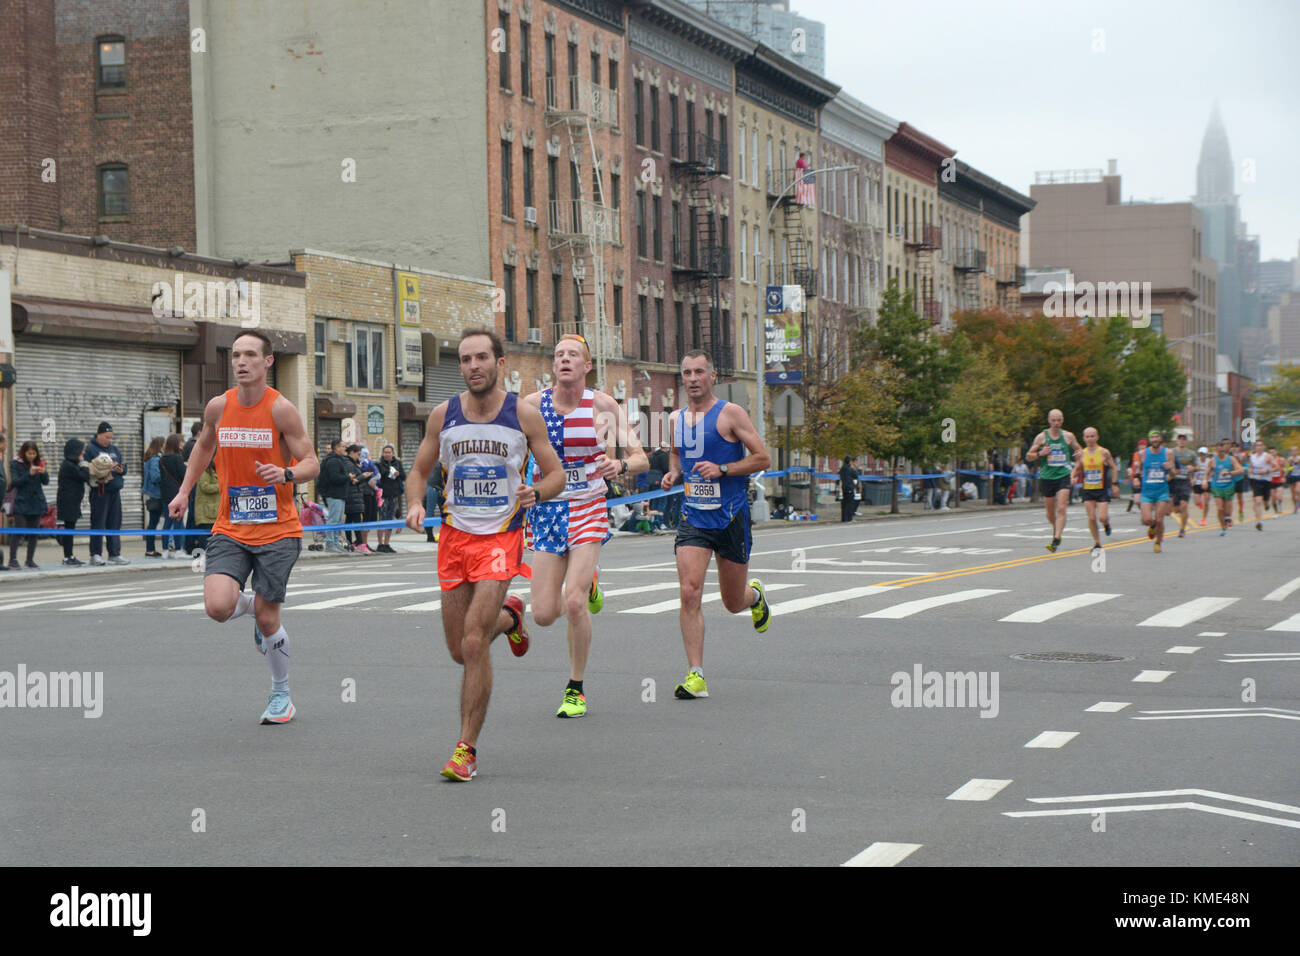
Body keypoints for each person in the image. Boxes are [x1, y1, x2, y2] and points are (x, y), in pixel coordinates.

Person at [402, 327, 565, 781]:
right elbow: (419, 470)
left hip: (501, 537)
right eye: (466, 359)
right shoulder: (444, 415)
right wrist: (415, 502)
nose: (473, 366)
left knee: (475, 639)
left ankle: (465, 750)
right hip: (455, 539)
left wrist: (538, 491)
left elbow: (556, 474)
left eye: (481, 358)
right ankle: (512, 618)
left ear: (500, 363)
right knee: (459, 650)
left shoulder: (523, 415)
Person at [168, 329, 319, 724]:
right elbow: (204, 447)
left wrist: (286, 473)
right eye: (236, 354)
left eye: (251, 354)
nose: (241, 362)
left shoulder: (281, 409)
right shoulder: (219, 406)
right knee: (217, 607)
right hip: (231, 525)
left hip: (278, 530)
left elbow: (311, 463)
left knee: (270, 620)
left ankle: (281, 694)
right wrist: (184, 492)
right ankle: (255, 609)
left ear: (268, 362)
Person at [523, 333, 648, 719]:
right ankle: (588, 579)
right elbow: (510, 449)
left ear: (586, 366)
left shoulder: (602, 405)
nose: (564, 360)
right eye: (559, 355)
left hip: (587, 506)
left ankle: (575, 687)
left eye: (572, 355)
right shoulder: (531, 405)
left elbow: (640, 456)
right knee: (543, 614)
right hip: (546, 510)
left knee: (574, 601)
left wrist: (621, 465)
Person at [661, 350, 772, 701]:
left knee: (731, 601)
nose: (692, 378)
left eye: (699, 372)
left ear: (712, 376)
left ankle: (754, 597)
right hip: (694, 517)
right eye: (687, 372)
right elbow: (677, 453)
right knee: (689, 591)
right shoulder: (676, 418)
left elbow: (762, 458)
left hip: (731, 516)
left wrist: (723, 469)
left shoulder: (730, 414)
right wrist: (674, 472)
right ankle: (696, 674)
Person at [1024, 409, 1082, 553]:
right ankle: (1056, 528)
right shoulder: (1041, 437)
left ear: (1062, 421)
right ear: (1049, 421)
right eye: (1053, 420)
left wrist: (1079, 455)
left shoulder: (1068, 436)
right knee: (1050, 514)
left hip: (1064, 475)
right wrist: (1040, 453)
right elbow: (1028, 456)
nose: (1056, 423)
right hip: (1047, 477)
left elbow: (1080, 450)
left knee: (1061, 507)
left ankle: (1056, 538)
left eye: (1059, 420)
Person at [83, 422, 129, 565]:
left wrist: (121, 469)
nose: (108, 440)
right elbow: (86, 469)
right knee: (98, 522)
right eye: (106, 437)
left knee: (114, 523)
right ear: (98, 435)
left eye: (110, 437)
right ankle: (95, 554)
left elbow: (124, 466)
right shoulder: (90, 449)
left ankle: (115, 553)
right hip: (100, 491)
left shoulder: (114, 449)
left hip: (115, 491)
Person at [1071, 427, 1118, 551]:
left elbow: (1113, 467)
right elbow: (1077, 468)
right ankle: (1097, 543)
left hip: (1101, 489)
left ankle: (1106, 524)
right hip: (1087, 490)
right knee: (1091, 518)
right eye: (1087, 436)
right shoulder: (1082, 453)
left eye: (1092, 436)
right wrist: (1072, 477)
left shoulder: (1104, 452)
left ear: (1097, 437)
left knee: (1102, 517)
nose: (1090, 439)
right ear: (1084, 438)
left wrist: (1114, 484)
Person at [7, 440, 48, 570]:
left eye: (34, 453)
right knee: (18, 532)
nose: (32, 456)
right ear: (24, 453)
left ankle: (29, 560)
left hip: (37, 502)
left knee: (34, 534)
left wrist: (43, 472)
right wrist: (28, 474)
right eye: (29, 453)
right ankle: (12, 559)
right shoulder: (15, 463)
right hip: (22, 502)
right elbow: (16, 482)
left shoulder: (38, 462)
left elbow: (45, 482)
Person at [1138, 429, 1177, 553]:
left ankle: (1158, 542)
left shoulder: (1169, 453)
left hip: (1162, 491)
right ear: (1150, 440)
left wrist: (1169, 469)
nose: (1155, 439)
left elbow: (1173, 474)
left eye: (1157, 437)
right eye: (1152, 437)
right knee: (1146, 519)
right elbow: (1139, 470)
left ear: (1160, 439)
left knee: (1160, 518)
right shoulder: (1142, 453)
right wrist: (1135, 478)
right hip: (1147, 492)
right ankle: (1152, 526)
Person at [56, 437, 90, 566]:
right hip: (68, 502)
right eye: (81, 451)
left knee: (70, 529)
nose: (83, 454)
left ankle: (69, 554)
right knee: (69, 530)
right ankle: (67, 556)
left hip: (72, 502)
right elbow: (85, 476)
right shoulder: (69, 465)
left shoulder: (71, 464)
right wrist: (84, 463)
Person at [317, 439, 351, 553]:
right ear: (336, 448)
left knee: (338, 520)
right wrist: (348, 477)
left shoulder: (339, 460)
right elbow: (334, 478)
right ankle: (330, 543)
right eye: (342, 446)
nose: (345, 449)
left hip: (340, 495)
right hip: (334, 494)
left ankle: (336, 542)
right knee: (333, 519)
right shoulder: (333, 461)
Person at [159, 433, 188, 558]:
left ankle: (165, 550)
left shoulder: (162, 459)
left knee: (167, 522)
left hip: (165, 494)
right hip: (177, 494)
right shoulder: (177, 458)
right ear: (176, 444)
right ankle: (177, 550)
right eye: (181, 442)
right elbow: (183, 475)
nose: (183, 444)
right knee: (178, 521)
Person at [1208, 438, 1245, 535]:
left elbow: (1241, 470)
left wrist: (1229, 473)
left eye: (1222, 450)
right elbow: (1206, 472)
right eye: (1219, 450)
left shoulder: (1231, 458)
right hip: (1217, 487)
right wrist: (1204, 480)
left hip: (1229, 486)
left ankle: (1228, 517)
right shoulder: (1212, 460)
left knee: (1227, 511)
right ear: (1216, 450)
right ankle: (1222, 527)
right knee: (1220, 508)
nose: (1221, 452)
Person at [374, 443, 406, 553]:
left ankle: (387, 543)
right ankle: (380, 543)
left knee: (390, 519)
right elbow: (378, 476)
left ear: (393, 453)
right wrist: (388, 471)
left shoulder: (397, 463)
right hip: (383, 495)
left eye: (389, 452)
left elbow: (404, 476)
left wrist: (398, 473)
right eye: (385, 452)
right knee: (382, 519)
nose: (387, 454)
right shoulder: (378, 464)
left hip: (394, 494)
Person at [1169, 434, 1198, 538]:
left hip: (1185, 482)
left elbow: (1198, 466)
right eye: (1179, 439)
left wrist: (1193, 468)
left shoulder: (1191, 453)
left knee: (1184, 505)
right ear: (1176, 441)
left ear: (1186, 441)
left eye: (1183, 439)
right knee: (1176, 509)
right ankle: (1183, 513)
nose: (1181, 441)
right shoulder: (1171, 452)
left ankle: (1182, 529)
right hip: (1173, 481)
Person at [141, 437, 166, 558]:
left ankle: (150, 548)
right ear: (160, 446)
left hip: (152, 493)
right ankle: (150, 549)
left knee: (153, 522)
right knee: (153, 522)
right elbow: (155, 477)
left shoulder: (150, 458)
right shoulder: (155, 459)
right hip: (156, 494)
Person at [182, 420, 203, 555]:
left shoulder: (187, 445)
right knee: (194, 515)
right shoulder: (195, 446)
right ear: (200, 432)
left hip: (191, 483)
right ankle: (191, 545)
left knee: (192, 514)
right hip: (196, 483)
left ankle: (189, 544)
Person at [1246, 440, 1277, 531]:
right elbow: (1250, 467)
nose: (1259, 447)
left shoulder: (1268, 456)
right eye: (1257, 445)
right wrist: (1250, 470)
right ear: (1255, 447)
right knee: (1257, 501)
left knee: (1265, 501)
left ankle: (1267, 503)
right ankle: (1259, 521)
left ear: (1264, 447)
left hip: (1266, 481)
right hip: (1256, 481)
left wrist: (1267, 471)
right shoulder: (1252, 457)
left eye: (1261, 445)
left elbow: (1276, 467)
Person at [343, 443, 366, 552]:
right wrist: (363, 476)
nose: (359, 456)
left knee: (351, 519)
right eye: (358, 454)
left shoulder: (352, 463)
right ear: (352, 452)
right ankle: (358, 542)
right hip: (352, 496)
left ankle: (352, 542)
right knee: (355, 519)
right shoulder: (348, 463)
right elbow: (353, 480)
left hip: (354, 496)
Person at [193, 460, 220, 553]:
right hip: (206, 510)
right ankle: (203, 553)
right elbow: (205, 487)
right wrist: (221, 486)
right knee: (204, 534)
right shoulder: (205, 472)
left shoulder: (212, 471)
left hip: (211, 510)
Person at [357, 447, 380, 552]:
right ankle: (362, 543)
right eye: (362, 454)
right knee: (365, 519)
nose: (364, 456)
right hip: (363, 493)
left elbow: (376, 473)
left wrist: (375, 481)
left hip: (371, 492)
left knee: (371, 518)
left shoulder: (370, 463)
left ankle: (364, 542)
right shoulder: (358, 464)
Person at [1191, 446, 1211, 526]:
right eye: (1200, 454)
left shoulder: (1209, 461)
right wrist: (1192, 479)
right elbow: (1191, 471)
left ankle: (1203, 519)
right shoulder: (1196, 461)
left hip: (1207, 482)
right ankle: (1201, 504)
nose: (1202, 456)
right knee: (1197, 502)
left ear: (1206, 454)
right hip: (1197, 482)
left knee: (1206, 502)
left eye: (1204, 454)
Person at [1126, 438, 1147, 513]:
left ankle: (1142, 508)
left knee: (1141, 494)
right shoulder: (1134, 455)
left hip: (1145, 477)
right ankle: (1140, 508)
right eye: (1140, 445)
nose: (1142, 447)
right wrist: (1128, 474)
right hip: (1135, 477)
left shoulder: (1148, 454)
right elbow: (1129, 466)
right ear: (1138, 446)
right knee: (1135, 494)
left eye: (1143, 445)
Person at [1230, 441, 1249, 521]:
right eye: (1233, 447)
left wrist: (1240, 464)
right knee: (1229, 498)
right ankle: (1229, 516)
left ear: (1239, 448)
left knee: (1239, 497)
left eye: (1236, 447)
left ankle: (1241, 511)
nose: (1234, 448)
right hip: (1230, 479)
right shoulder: (1227, 456)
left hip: (1239, 479)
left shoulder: (1243, 456)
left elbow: (1247, 467)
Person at [425, 466, 443, 543]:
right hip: (432, 486)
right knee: (429, 512)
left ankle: (442, 534)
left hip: (441, 487)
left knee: (445, 512)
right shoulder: (433, 459)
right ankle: (429, 535)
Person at [839, 456, 860, 522]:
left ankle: (844, 518)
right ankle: (849, 518)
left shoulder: (842, 469)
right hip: (850, 487)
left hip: (844, 487)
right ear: (850, 462)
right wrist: (856, 468)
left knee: (844, 503)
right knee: (850, 503)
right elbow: (856, 475)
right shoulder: (850, 469)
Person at [1268, 445, 1285, 514]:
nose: (1271, 454)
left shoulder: (1281, 459)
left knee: (1279, 497)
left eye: (1273, 452)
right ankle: (1276, 511)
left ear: (1276, 452)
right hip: (1271, 481)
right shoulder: (1267, 461)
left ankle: (1280, 505)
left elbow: (1286, 468)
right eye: (1270, 452)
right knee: (1273, 499)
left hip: (1279, 480)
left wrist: (1284, 476)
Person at [1288, 446, 1300, 514]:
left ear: (1297, 451)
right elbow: (1286, 469)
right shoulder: (1289, 459)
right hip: (1292, 477)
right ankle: (1295, 506)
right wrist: (1290, 467)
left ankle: (1299, 503)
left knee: (1298, 490)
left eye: (1295, 450)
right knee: (1293, 494)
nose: (1293, 452)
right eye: (1292, 451)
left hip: (1299, 476)